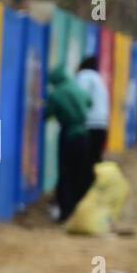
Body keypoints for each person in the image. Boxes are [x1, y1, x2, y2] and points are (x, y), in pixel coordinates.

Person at [44, 64, 93, 222]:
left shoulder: (57, 93)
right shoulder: (78, 89)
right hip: (84, 135)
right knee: (80, 174)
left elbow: (47, 114)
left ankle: (65, 213)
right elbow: (89, 103)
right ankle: (78, 211)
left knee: (66, 174)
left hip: (68, 135)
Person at [75, 54, 109, 166]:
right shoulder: (98, 78)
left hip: (89, 125)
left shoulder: (84, 76)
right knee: (96, 161)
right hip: (102, 125)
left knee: (84, 162)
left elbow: (79, 98)